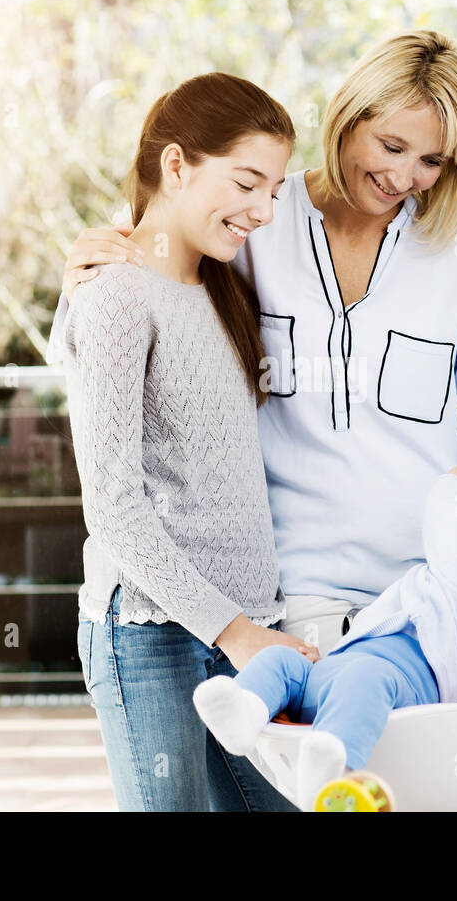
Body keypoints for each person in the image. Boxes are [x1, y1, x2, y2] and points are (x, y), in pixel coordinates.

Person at [49, 31, 457, 659]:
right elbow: (149, 286)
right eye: (391, 145)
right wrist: (79, 284)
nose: (404, 176)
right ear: (346, 118)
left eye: (432, 162)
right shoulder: (255, 220)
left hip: (434, 589)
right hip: (291, 601)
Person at [63, 72, 317, 812]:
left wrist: (245, 628)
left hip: (241, 627)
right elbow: (111, 505)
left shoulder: (221, 289)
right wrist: (234, 632)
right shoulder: (112, 294)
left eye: (273, 190)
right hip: (151, 635)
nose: (264, 211)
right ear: (175, 165)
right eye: (247, 183)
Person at [192, 469, 457, 810]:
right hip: (336, 669)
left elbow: (442, 509)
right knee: (294, 666)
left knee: (341, 678)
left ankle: (332, 760)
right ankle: (246, 712)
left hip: (394, 683)